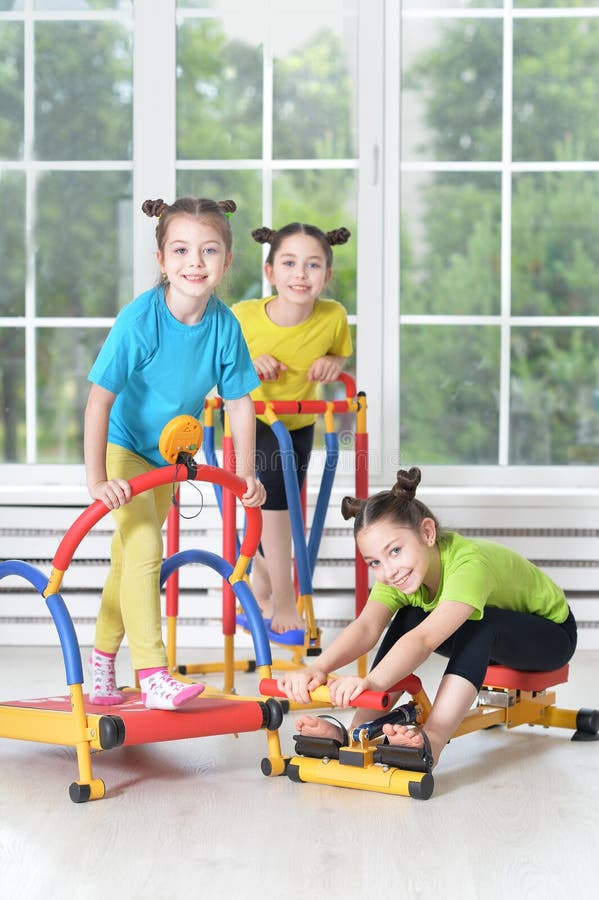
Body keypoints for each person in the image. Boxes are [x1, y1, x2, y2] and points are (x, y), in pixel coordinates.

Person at [85, 196, 265, 710]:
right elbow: (99, 400)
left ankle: (101, 664)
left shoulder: (225, 326)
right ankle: (152, 673)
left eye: (209, 251)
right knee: (144, 546)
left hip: (168, 457)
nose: (196, 262)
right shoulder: (140, 320)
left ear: (227, 262)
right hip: (123, 447)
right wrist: (97, 479)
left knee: (129, 561)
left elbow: (239, 404)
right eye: (182, 250)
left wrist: (245, 473)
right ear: (161, 259)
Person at [278, 467, 577, 768]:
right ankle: (356, 735)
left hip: (551, 637)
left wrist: (371, 681)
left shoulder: (468, 566)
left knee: (480, 626)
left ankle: (432, 739)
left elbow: (424, 640)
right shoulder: (398, 576)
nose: (388, 570)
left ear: (427, 533)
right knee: (410, 615)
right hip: (494, 640)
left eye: (395, 550)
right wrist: (317, 668)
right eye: (374, 562)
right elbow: (366, 627)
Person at [231, 222, 353, 633]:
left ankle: (258, 577)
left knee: (279, 512)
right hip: (254, 422)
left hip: (299, 423)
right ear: (270, 273)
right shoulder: (244, 317)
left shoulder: (333, 316)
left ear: (327, 276)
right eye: (289, 263)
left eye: (312, 265)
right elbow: (219, 370)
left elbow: (338, 355)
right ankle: (283, 603)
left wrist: (334, 365)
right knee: (277, 509)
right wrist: (251, 364)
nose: (300, 274)